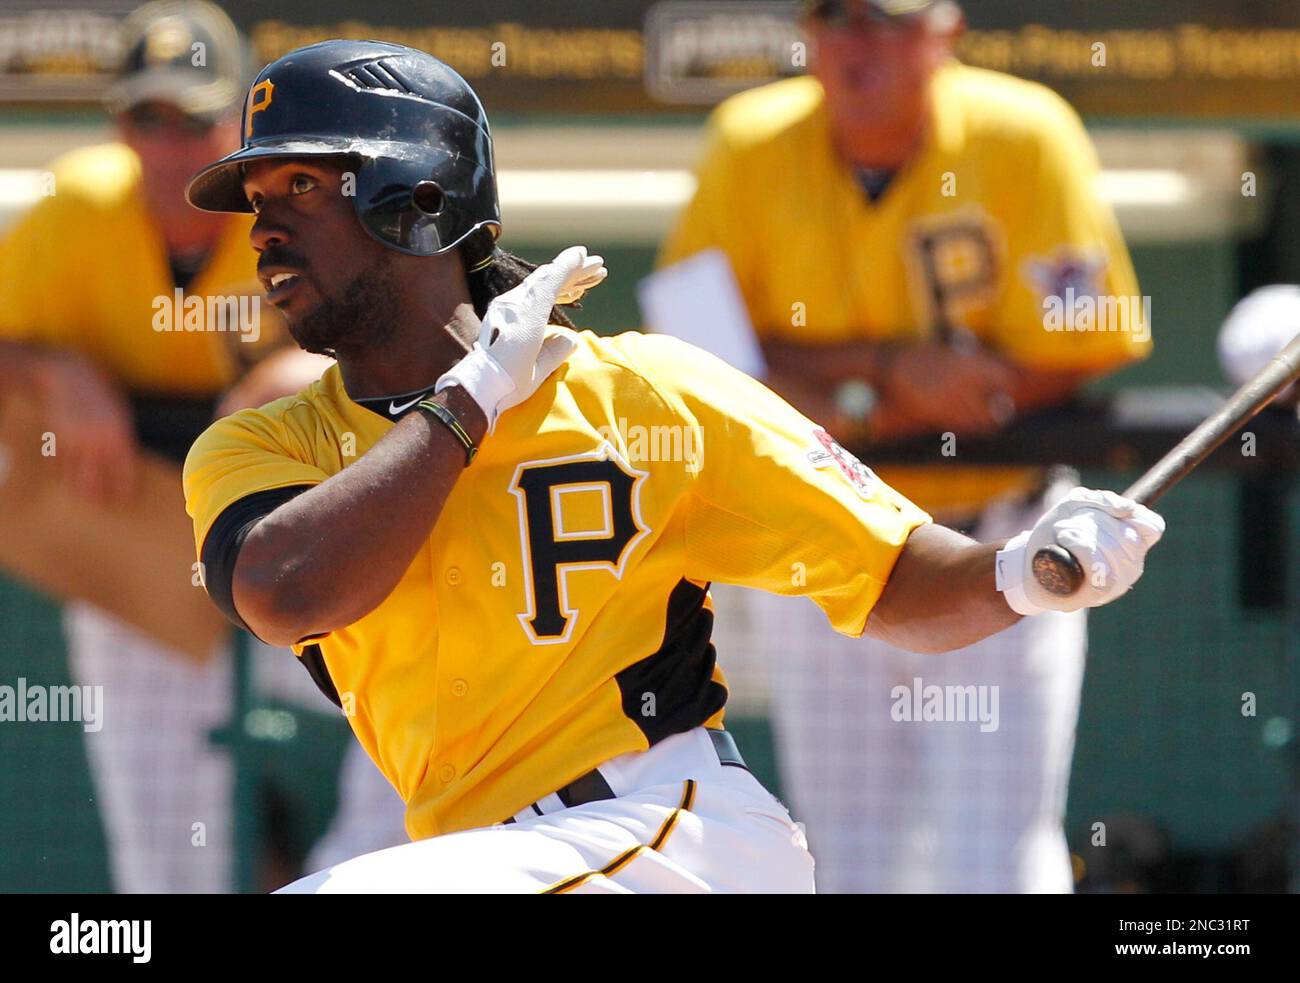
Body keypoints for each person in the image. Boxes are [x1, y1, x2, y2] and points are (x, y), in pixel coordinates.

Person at [181, 38, 1163, 894]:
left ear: (421, 201)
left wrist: (1024, 570)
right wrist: (473, 395)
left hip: (671, 837)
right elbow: (286, 589)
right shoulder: (263, 444)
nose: (264, 227)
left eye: (304, 187)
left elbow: (897, 577)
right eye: (258, 200)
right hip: (489, 856)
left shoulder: (646, 392)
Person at [657, 0, 1150, 892]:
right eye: (836, 17)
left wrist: (954, 390)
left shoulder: (1022, 131)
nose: (858, 42)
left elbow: (1097, 330)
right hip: (822, 541)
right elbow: (694, 335)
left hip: (994, 538)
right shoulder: (750, 136)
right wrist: (885, 373)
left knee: (994, 860)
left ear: (943, 32)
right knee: (845, 857)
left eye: (887, 19)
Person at [0, 1, 404, 892]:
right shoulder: (77, 207)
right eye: (151, 119)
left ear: (242, 127)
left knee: (427, 684)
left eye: (198, 119)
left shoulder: (305, 205)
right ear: (120, 127)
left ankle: (347, 881)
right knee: (158, 833)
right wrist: (50, 368)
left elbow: (410, 338)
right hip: (140, 535)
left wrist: (295, 377)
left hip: (302, 523)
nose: (176, 145)